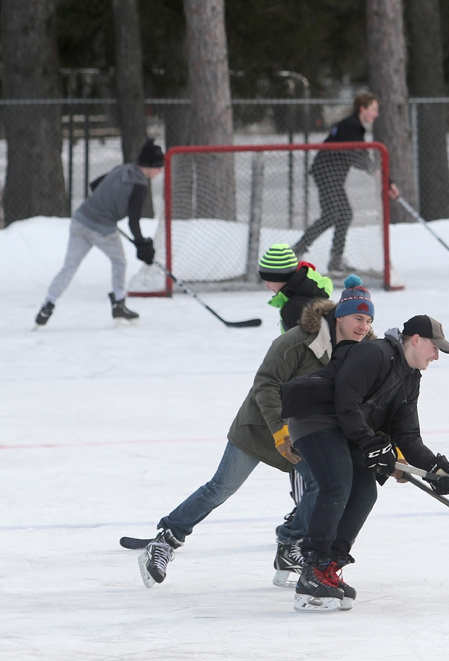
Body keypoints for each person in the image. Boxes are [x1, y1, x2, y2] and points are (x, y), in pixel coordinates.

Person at [137, 277, 377, 589]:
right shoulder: (296, 341)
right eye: (358, 318)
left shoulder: (362, 350)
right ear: (341, 315)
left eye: (369, 320)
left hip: (307, 433)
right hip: (261, 427)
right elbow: (266, 384)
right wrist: (279, 430)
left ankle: (289, 546)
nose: (363, 326)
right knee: (220, 487)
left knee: (324, 485)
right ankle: (166, 539)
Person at [280, 314, 449, 612]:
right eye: (435, 348)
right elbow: (346, 401)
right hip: (314, 419)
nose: (436, 356)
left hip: (345, 429)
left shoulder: (409, 379)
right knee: (337, 483)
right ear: (415, 340)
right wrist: (372, 445)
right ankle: (312, 569)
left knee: (366, 491)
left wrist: (439, 470)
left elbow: (407, 435)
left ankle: (329, 566)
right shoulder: (374, 353)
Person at [34, 138, 163, 326]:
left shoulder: (121, 169)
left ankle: (48, 304)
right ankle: (119, 303)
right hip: (102, 230)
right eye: (159, 168)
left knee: (69, 267)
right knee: (119, 261)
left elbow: (94, 186)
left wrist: (106, 207)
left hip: (80, 221)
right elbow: (134, 221)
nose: (160, 172)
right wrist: (142, 244)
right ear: (150, 166)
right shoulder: (140, 185)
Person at [292, 91, 399, 275]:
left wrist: (386, 181)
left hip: (331, 175)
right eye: (373, 109)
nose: (376, 114)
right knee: (336, 214)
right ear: (362, 109)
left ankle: (334, 258)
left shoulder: (353, 127)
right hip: (326, 174)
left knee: (341, 214)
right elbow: (360, 158)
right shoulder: (351, 127)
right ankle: (299, 252)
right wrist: (386, 181)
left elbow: (360, 157)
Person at [257, 243, 333, 333]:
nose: (267, 285)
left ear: (281, 278)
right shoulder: (301, 289)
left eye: (269, 280)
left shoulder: (295, 307)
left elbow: (297, 345)